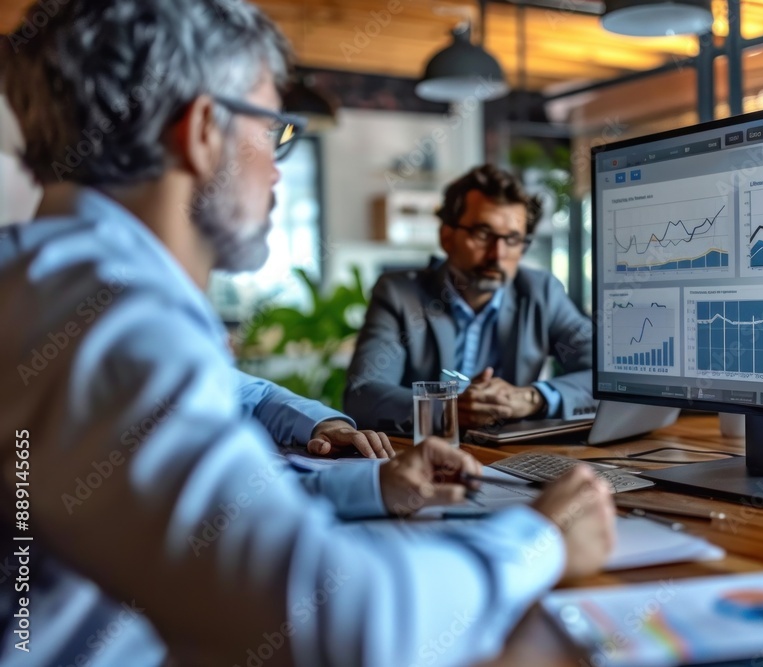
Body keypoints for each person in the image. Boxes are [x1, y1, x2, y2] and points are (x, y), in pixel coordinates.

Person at [0, 2, 616, 666]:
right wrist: (541, 538)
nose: (276, 170)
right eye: (273, 130)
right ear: (204, 130)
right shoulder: (109, 320)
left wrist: (376, 483)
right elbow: (345, 625)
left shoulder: (47, 277)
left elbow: (224, 468)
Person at [344, 165, 596, 432]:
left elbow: (608, 377)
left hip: (508, 456)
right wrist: (447, 409)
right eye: (483, 234)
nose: (497, 255)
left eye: (512, 239)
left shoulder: (541, 292)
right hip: (422, 458)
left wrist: (534, 398)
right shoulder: (398, 294)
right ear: (447, 237)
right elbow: (362, 395)